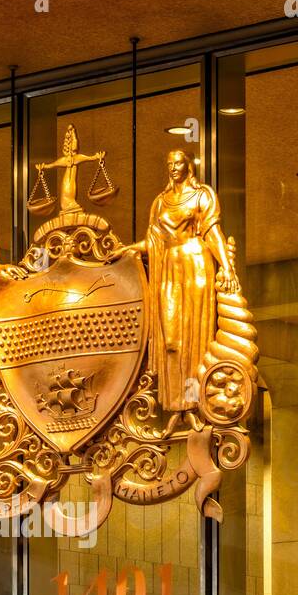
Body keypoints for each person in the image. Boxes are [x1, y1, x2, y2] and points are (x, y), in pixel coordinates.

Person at [111, 150, 240, 411]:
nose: (173, 168)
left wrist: (226, 267)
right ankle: (174, 405)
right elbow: (155, 241)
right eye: (169, 163)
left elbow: (212, 232)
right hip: (168, 267)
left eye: (178, 163)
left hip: (195, 263)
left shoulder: (202, 195)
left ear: (188, 166)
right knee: (171, 340)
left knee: (196, 337)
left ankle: (193, 405)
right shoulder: (160, 202)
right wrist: (131, 249)